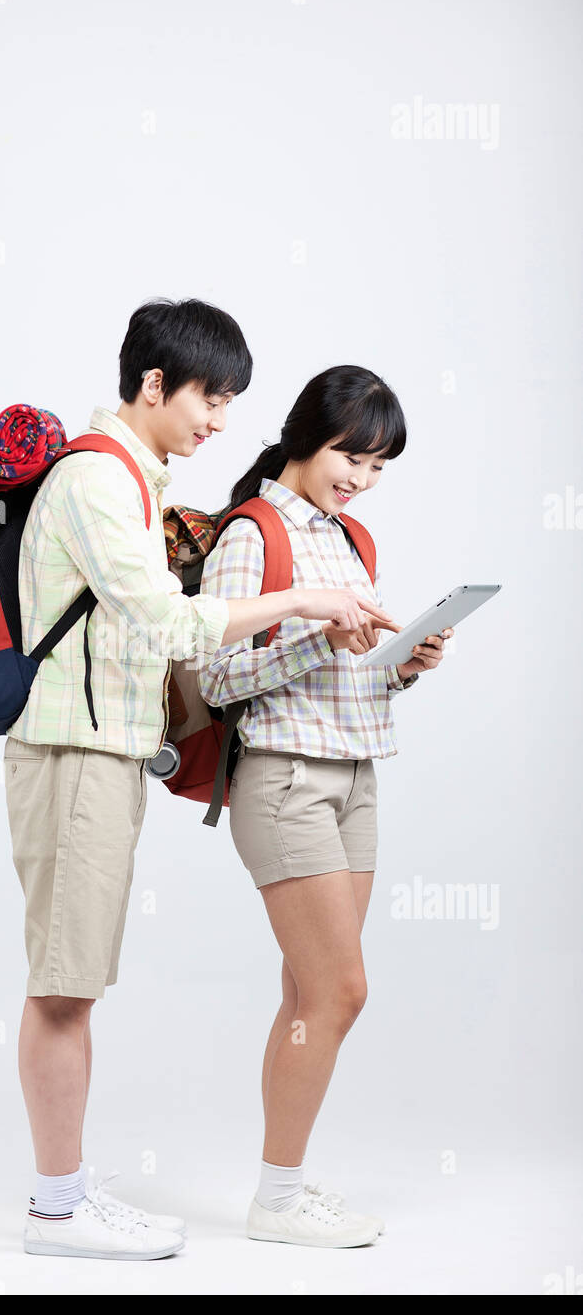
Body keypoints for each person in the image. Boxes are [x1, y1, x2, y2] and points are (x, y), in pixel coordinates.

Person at [4, 306, 395, 1260]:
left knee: (78, 975)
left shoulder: (133, 478)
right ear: (153, 386)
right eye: (210, 397)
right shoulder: (99, 476)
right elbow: (176, 628)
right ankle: (58, 1208)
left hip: (106, 749)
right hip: (71, 748)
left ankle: (68, 1198)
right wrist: (305, 601)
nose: (221, 420)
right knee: (66, 981)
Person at [196, 365, 453, 1249]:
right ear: (309, 434)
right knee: (342, 988)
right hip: (284, 782)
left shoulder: (353, 541)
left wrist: (403, 666)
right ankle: (277, 1198)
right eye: (352, 455)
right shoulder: (251, 532)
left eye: (380, 466)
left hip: (357, 775)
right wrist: (313, 637)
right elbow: (217, 676)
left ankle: (284, 1188)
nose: (362, 478)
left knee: (310, 988)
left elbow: (349, 677)